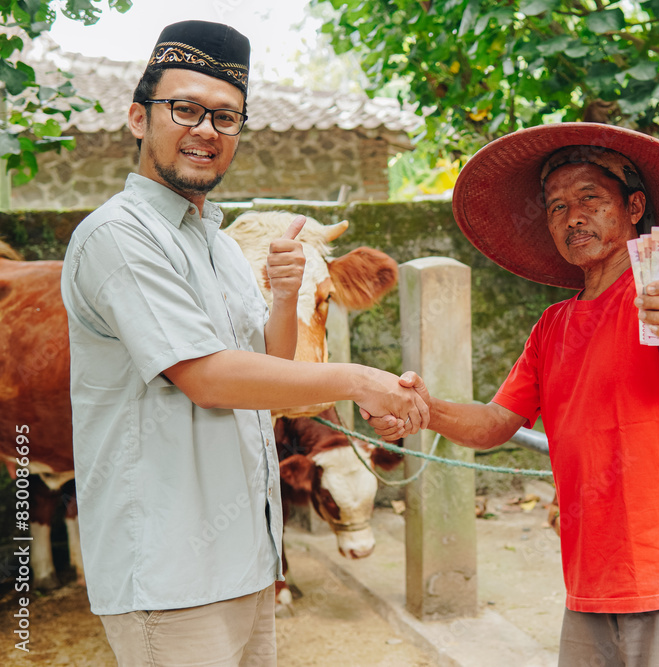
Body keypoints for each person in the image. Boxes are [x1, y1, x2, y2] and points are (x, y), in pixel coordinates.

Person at [60, 20, 426, 666]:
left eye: (226, 118)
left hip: (244, 558)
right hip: (170, 572)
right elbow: (206, 376)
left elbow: (269, 366)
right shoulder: (119, 236)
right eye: (186, 109)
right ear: (138, 119)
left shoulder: (220, 245)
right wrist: (356, 378)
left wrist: (284, 296)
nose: (206, 129)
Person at [366, 123, 659, 666]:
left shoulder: (656, 294)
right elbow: (497, 421)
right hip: (590, 580)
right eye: (557, 206)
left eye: (590, 197)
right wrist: (423, 407)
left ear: (635, 206)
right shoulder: (552, 326)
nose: (573, 216)